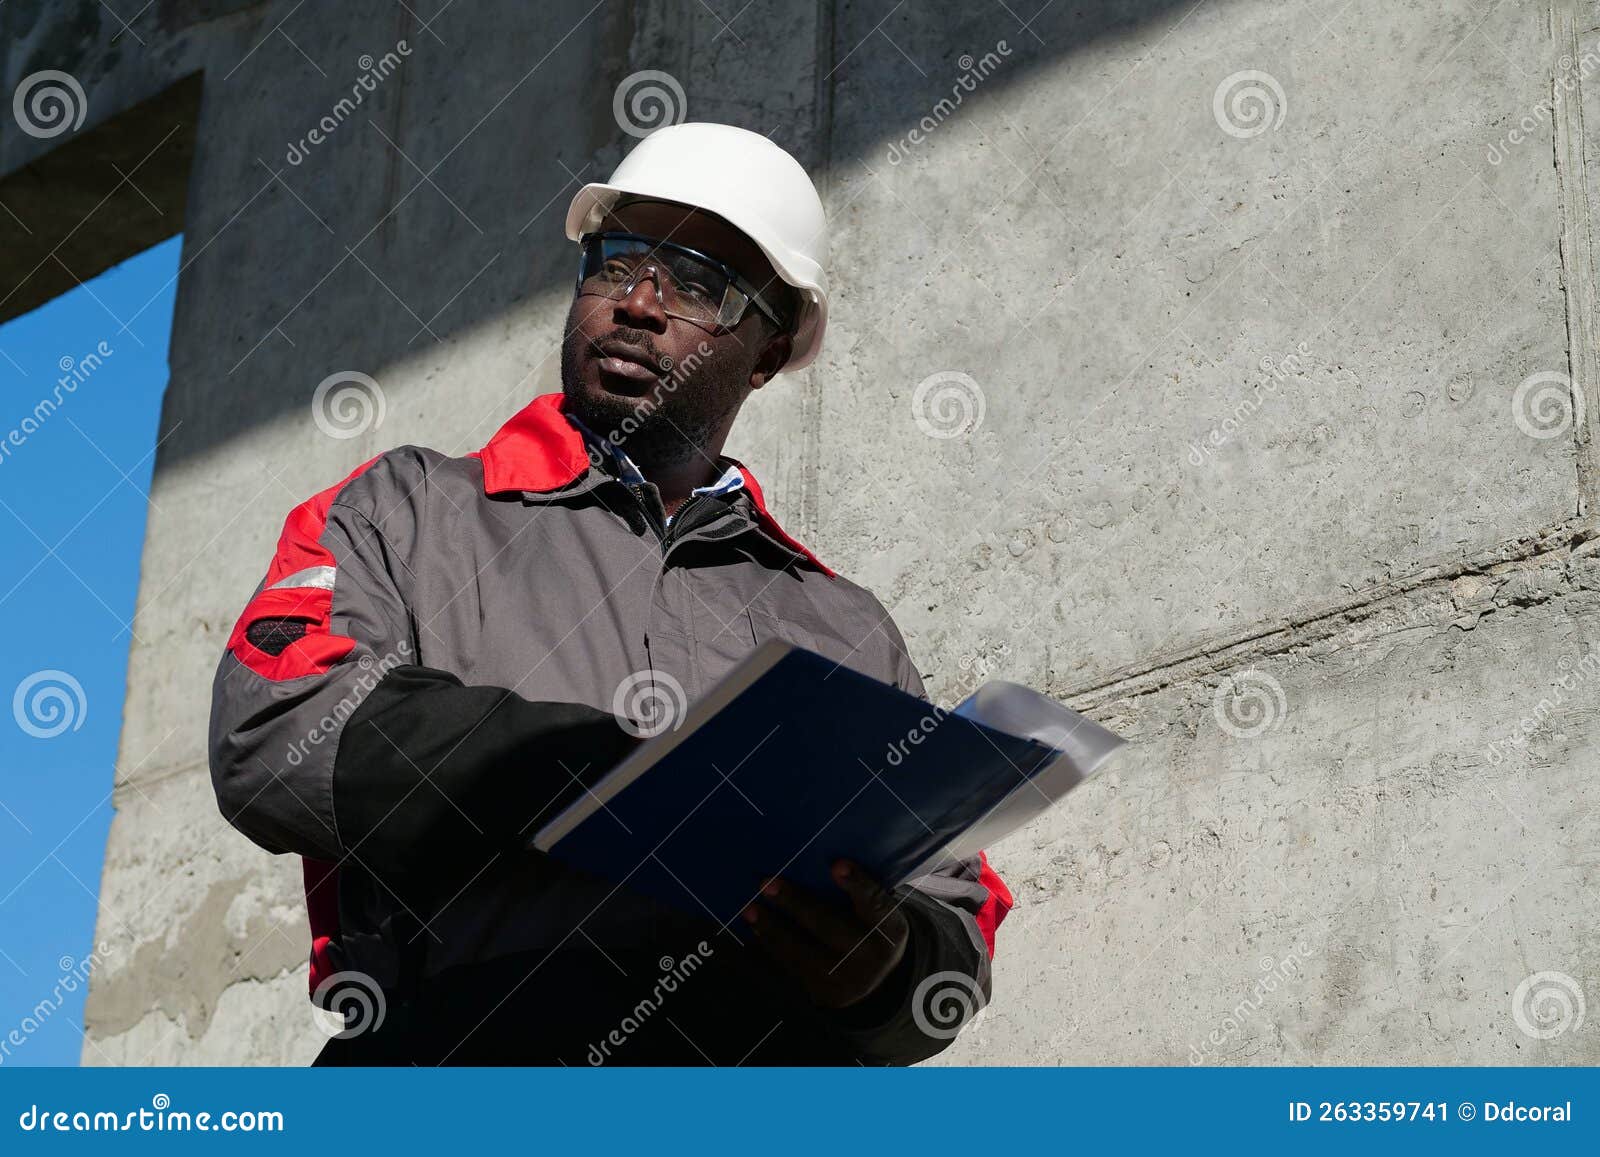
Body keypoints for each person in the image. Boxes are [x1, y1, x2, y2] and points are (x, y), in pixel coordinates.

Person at [208, 122, 1012, 1065]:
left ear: (768, 349)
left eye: (699, 284)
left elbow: (956, 902)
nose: (638, 303)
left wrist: (888, 966)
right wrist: (600, 773)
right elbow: (276, 727)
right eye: (619, 260)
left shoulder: (843, 627)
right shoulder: (410, 511)